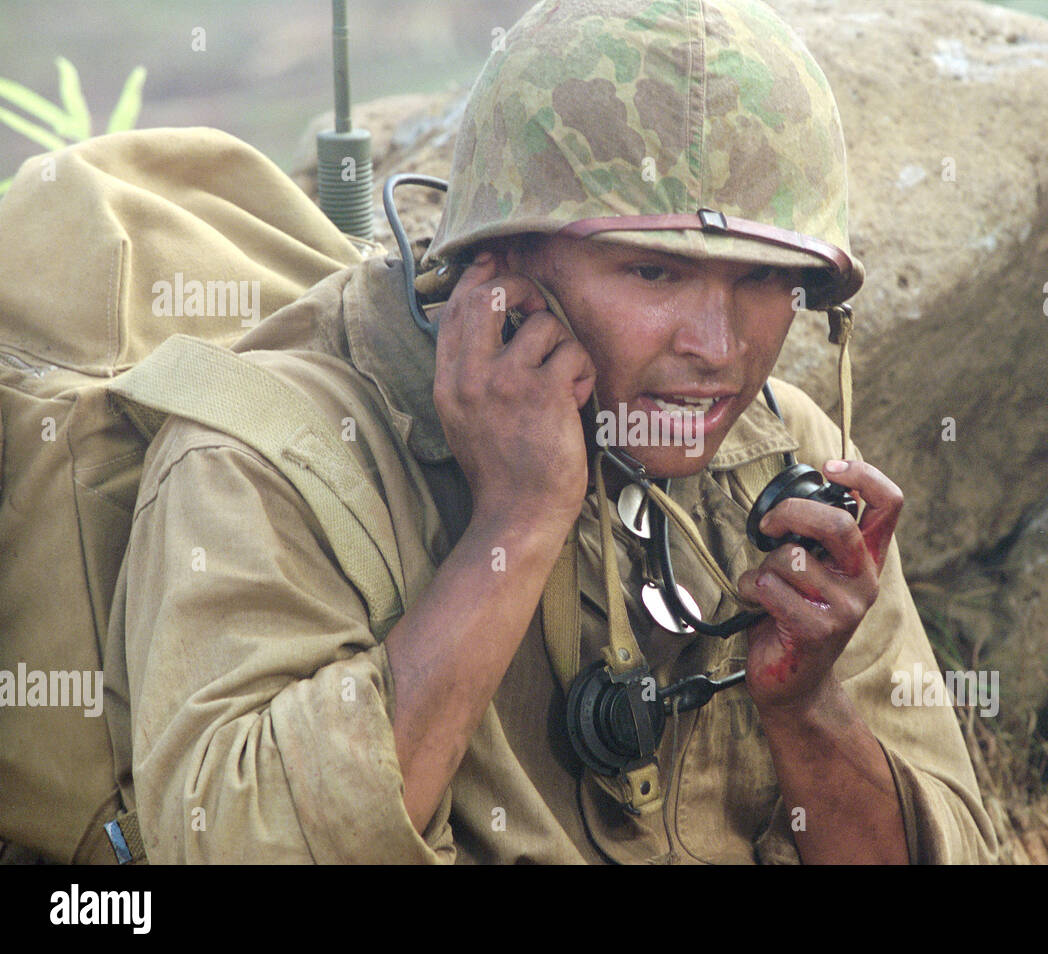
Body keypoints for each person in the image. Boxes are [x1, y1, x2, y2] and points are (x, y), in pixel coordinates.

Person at [112, 0, 997, 863]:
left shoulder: (780, 458)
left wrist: (807, 709)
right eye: (654, 271)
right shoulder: (266, 456)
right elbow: (228, 846)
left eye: (763, 281)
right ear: (500, 268)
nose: (718, 349)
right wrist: (518, 525)